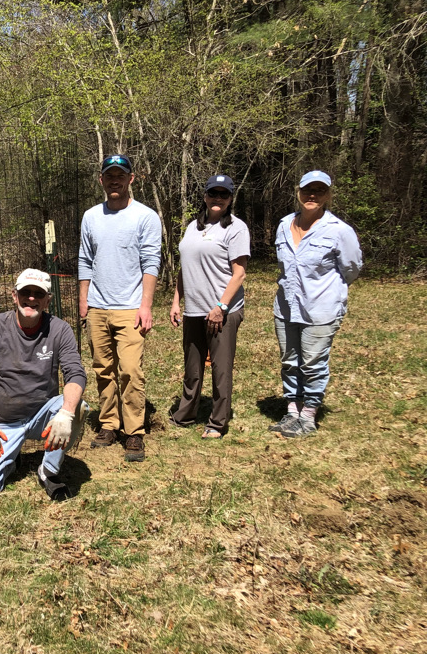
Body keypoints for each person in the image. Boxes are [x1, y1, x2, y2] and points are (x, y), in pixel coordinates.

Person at [0, 269, 88, 501]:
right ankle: (11, 459)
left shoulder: (60, 329)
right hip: (1, 423)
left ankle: (48, 470)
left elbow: (76, 374)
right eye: (25, 292)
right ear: (14, 296)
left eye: (38, 294)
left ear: (48, 300)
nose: (31, 298)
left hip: (43, 416)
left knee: (77, 406)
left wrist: (66, 414)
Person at [78, 154, 162, 461]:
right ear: (101, 180)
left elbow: (151, 262)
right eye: (110, 175)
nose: (115, 180)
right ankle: (109, 424)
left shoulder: (145, 217)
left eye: (121, 175)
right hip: (97, 307)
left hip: (130, 308)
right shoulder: (91, 217)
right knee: (103, 369)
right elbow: (85, 260)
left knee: (130, 370)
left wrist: (146, 306)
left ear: (131, 179)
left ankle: (134, 432)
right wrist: (83, 298)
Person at [270, 170, 362, 438]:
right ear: (298, 192)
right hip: (286, 307)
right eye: (308, 190)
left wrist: (328, 291)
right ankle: (292, 411)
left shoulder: (339, 231)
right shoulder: (284, 224)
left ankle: (308, 415)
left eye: (319, 191)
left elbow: (352, 268)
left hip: (320, 309)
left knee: (312, 362)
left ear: (328, 195)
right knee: (289, 360)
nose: (312, 195)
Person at [169, 174, 250, 438]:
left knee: (220, 368)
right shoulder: (194, 226)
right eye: (213, 193)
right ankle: (186, 412)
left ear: (230, 199)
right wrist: (176, 301)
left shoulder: (236, 228)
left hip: (221, 312)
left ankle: (217, 422)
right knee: (192, 366)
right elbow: (185, 267)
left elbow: (239, 273)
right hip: (193, 310)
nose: (218, 199)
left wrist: (221, 307)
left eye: (223, 194)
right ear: (204, 196)